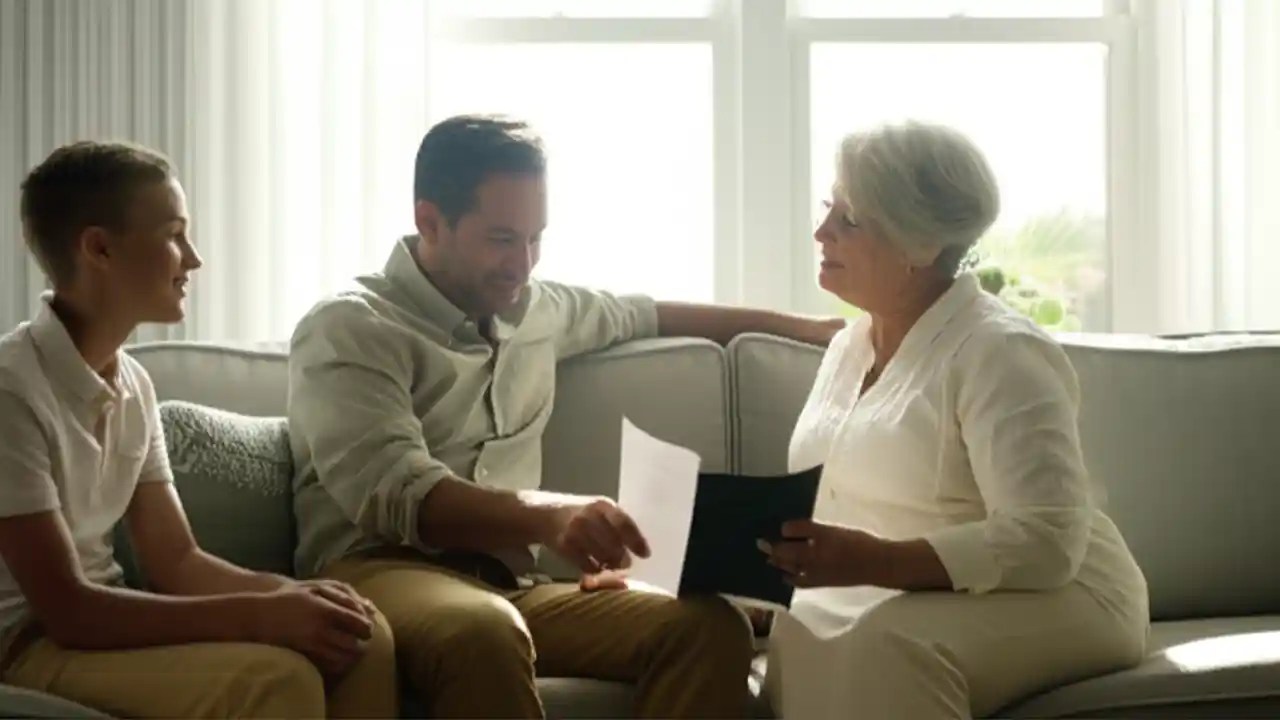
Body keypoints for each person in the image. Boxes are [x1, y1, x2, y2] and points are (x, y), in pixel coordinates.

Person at [287, 114, 843, 719]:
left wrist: (816, 331)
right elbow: (398, 491)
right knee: (484, 630)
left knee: (708, 626)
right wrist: (549, 515)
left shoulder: (538, 310)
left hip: (512, 590)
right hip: (377, 573)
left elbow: (650, 316)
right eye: (502, 239)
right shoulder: (351, 327)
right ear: (429, 221)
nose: (522, 264)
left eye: (535, 238)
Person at [759, 120, 1150, 719]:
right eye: (826, 209)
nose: (821, 232)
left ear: (919, 246)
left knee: (890, 647)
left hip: (1062, 592)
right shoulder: (849, 347)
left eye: (850, 220)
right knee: (794, 634)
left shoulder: (999, 350)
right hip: (893, 591)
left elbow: (1046, 542)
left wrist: (876, 563)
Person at [0, 141, 398, 719]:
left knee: (362, 636)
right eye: (174, 234)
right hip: (28, 643)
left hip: (98, 623)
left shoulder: (133, 383)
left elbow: (178, 562)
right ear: (99, 248)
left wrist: (293, 595)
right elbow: (68, 610)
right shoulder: (11, 392)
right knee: (276, 680)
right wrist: (262, 615)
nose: (193, 259)